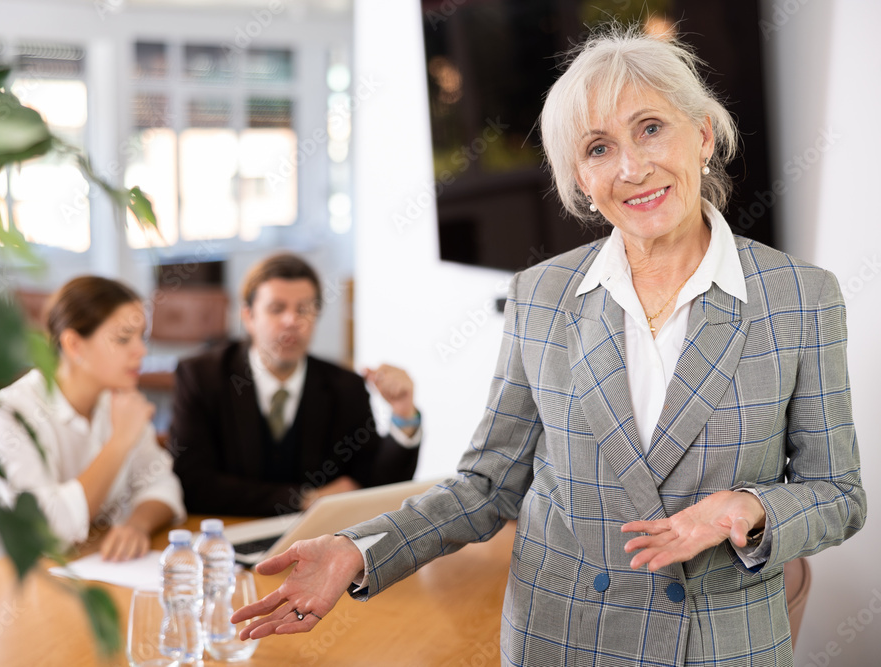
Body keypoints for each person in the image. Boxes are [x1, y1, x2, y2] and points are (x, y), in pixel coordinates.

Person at [230, 26, 867, 666]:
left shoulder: (800, 297)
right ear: (580, 180)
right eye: (598, 147)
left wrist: (751, 508)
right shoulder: (541, 296)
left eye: (651, 128)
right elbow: (487, 485)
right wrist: (358, 549)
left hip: (717, 648)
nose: (631, 168)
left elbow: (838, 493)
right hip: (559, 640)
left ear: (702, 134)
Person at [170, 253, 421, 516]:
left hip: (318, 541)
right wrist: (304, 499)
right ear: (248, 316)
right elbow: (193, 483)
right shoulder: (202, 377)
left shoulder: (345, 387)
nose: (292, 321)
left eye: (304, 309)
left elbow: (374, 486)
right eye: (277, 309)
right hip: (230, 532)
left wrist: (403, 413)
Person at [0, 276, 185, 563]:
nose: (141, 351)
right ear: (74, 345)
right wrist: (119, 443)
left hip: (82, 568)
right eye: (123, 339)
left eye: (141, 337)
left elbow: (162, 483)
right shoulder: (8, 414)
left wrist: (137, 524)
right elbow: (46, 532)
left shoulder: (117, 401)